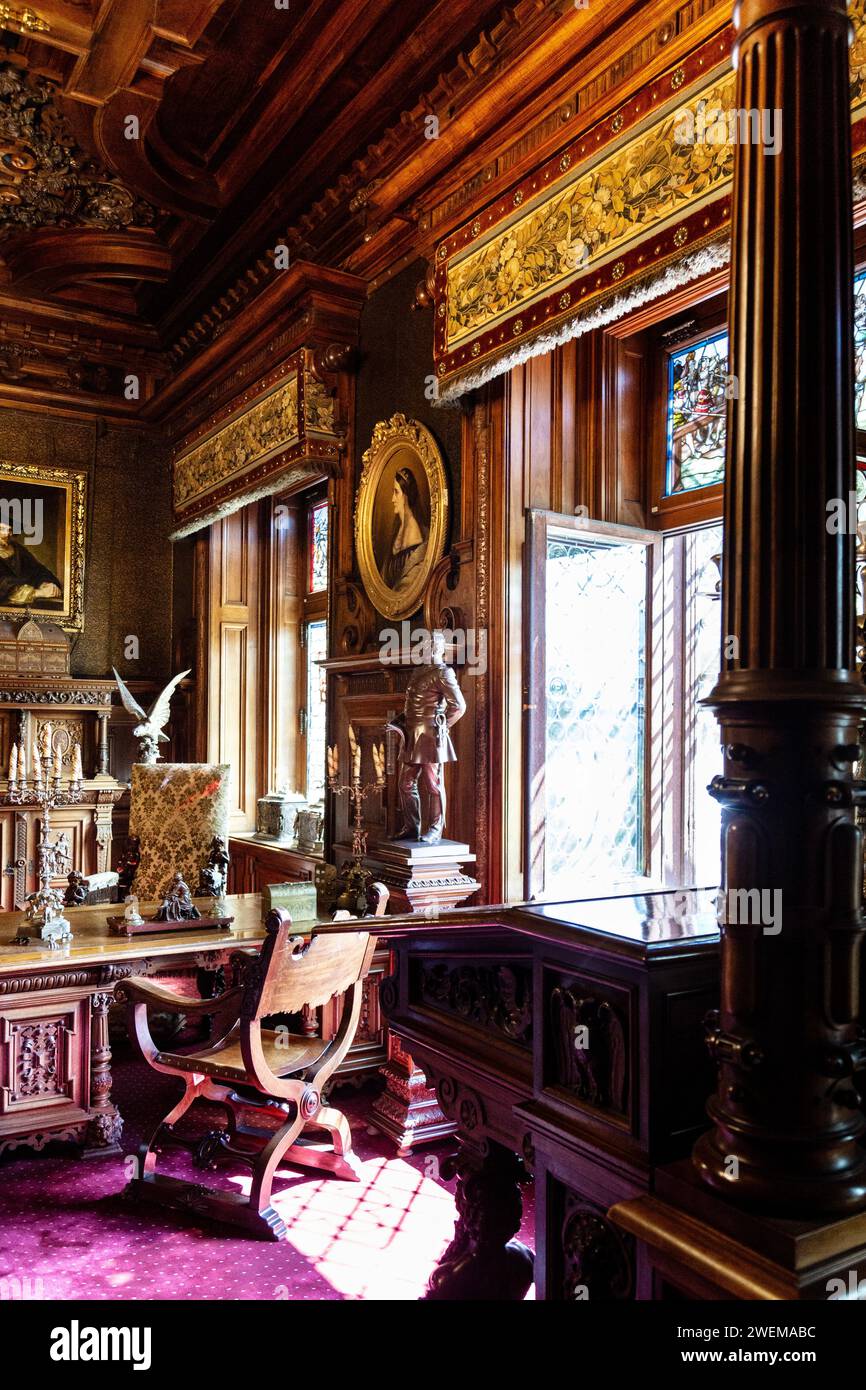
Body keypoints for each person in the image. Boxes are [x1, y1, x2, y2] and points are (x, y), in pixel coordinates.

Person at [387, 630, 466, 844]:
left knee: (433, 783)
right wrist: (398, 723)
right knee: (405, 782)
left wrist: (442, 726)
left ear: (439, 649)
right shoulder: (418, 672)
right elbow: (412, 706)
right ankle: (412, 827)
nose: (429, 649)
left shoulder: (443, 673)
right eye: (426, 646)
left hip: (431, 736)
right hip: (412, 735)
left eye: (433, 646)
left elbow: (459, 706)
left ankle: (435, 829)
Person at [382, 467, 428, 594]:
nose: (392, 499)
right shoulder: (396, 531)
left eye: (396, 492)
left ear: (406, 495)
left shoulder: (416, 534)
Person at [0, 522, 62, 606]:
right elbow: (3, 585)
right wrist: (38, 593)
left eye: (9, 530)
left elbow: (37, 570)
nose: (7, 534)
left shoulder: (17, 549)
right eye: (2, 529)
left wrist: (46, 583)